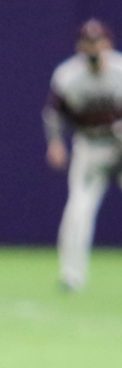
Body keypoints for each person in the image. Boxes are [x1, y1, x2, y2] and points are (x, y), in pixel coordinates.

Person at [44, 18, 122, 292]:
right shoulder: (68, 75)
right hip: (91, 147)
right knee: (78, 211)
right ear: (79, 46)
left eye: (97, 42)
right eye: (87, 42)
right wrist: (55, 142)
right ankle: (72, 274)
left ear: (107, 44)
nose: (92, 48)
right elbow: (53, 113)